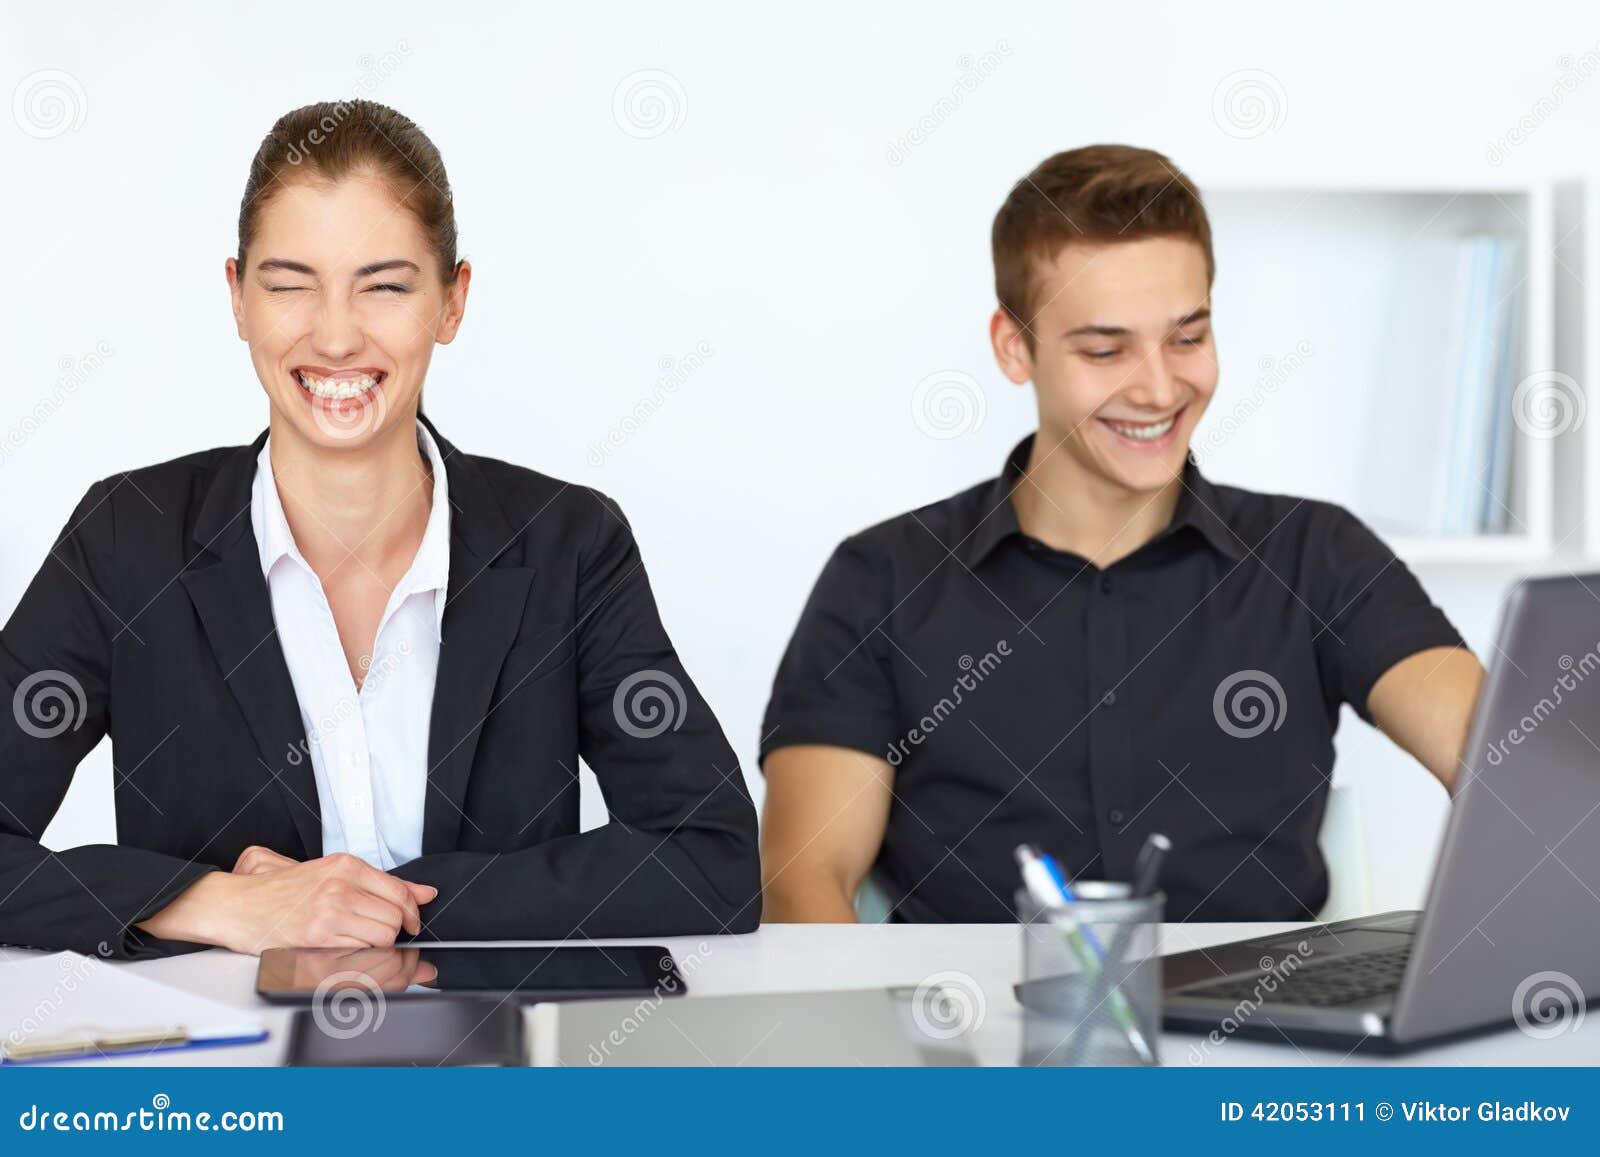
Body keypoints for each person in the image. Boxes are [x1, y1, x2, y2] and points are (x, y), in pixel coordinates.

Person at [0, 100, 759, 960]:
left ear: (451, 301)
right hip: (225, 1078)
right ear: (238, 298)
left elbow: (713, 858)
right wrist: (217, 905)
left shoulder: (567, 545)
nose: (334, 334)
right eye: (289, 284)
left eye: (386, 286)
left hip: (489, 1069)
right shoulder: (127, 539)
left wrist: (385, 910)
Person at [758, 144, 1483, 924]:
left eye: (1187, 337)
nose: (1161, 387)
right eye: (1106, 349)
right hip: (972, 1032)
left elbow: (1510, 767)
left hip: (1272, 1035)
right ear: (1014, 347)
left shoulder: (1318, 555)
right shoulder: (882, 579)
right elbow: (803, 884)